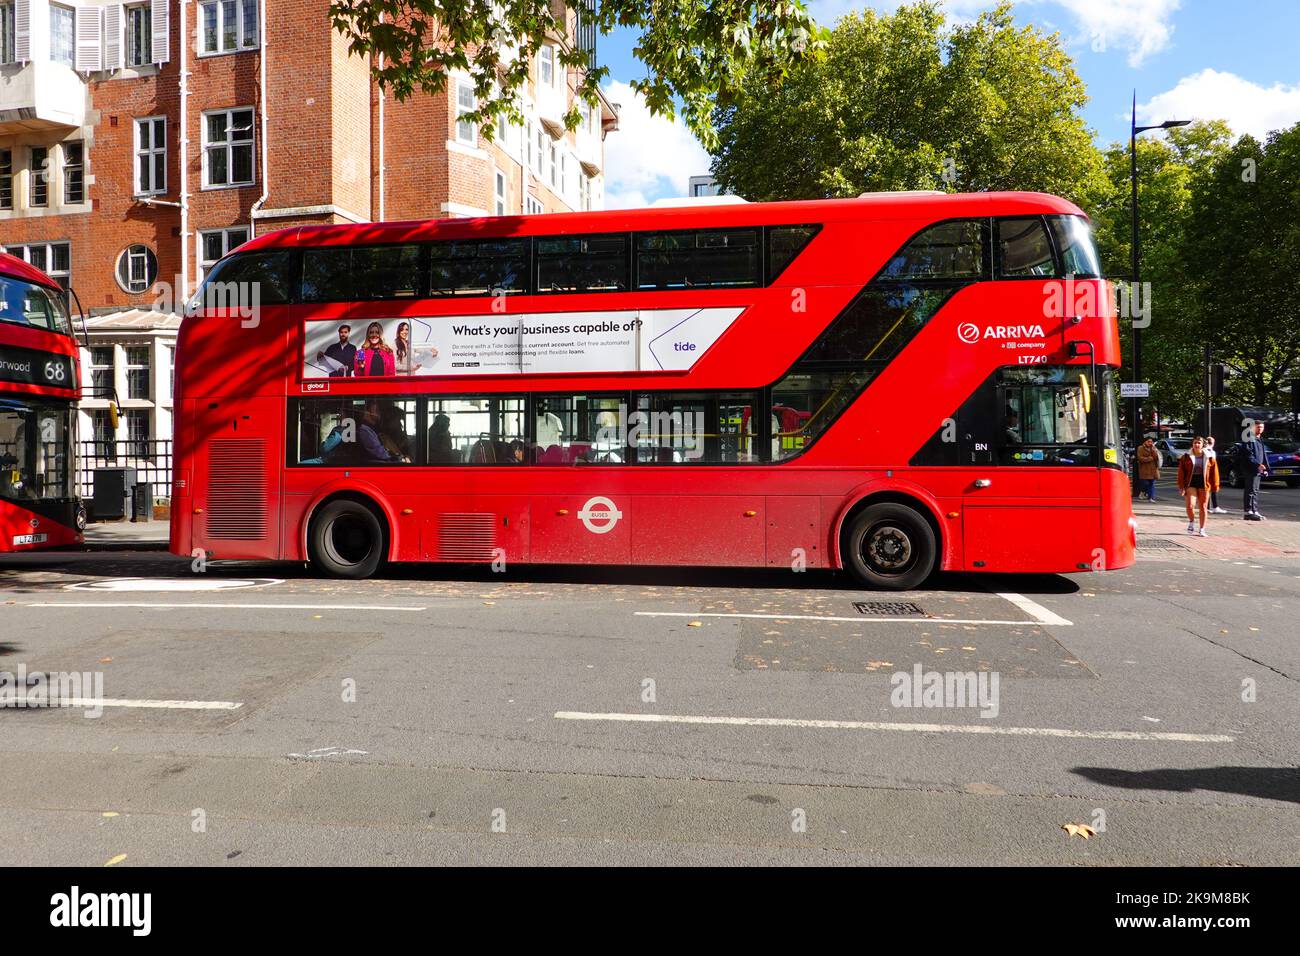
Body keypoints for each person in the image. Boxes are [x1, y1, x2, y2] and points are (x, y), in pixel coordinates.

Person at [1177, 436, 1219, 536]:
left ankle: (1202, 529)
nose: (1197, 445)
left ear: (1202, 445)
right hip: (1191, 482)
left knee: (1203, 506)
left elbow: (1214, 472)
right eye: (1195, 443)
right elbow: (1181, 473)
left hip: (1204, 483)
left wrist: (1215, 485)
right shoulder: (1186, 456)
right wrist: (1181, 486)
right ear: (1192, 444)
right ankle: (1191, 522)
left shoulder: (1209, 457)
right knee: (1190, 506)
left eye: (1199, 443)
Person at [1239, 420, 1268, 521]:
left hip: (1258, 469)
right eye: (1258, 427)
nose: (1260, 429)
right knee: (1250, 490)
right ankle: (1248, 512)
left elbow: (1263, 454)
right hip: (1250, 468)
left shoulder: (1259, 439)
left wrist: (1265, 467)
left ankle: (1254, 510)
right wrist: (1257, 464)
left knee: (1255, 490)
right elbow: (1248, 454)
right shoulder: (1249, 439)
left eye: (1261, 427)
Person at [1204, 435, 1227, 513]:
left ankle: (1214, 506)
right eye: (1210, 442)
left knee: (1213, 488)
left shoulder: (1212, 452)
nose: (1211, 443)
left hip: (1211, 472)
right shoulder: (1205, 451)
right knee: (1207, 490)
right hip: (1206, 472)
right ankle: (1207, 507)